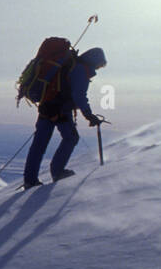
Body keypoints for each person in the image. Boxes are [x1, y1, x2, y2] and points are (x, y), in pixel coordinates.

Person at [23, 47, 106, 188]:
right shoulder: (81, 70)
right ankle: (57, 171)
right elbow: (79, 96)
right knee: (71, 138)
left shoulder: (70, 65)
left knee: (39, 144)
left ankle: (30, 180)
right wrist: (89, 115)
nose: (99, 68)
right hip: (60, 110)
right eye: (100, 64)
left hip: (46, 107)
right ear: (94, 60)